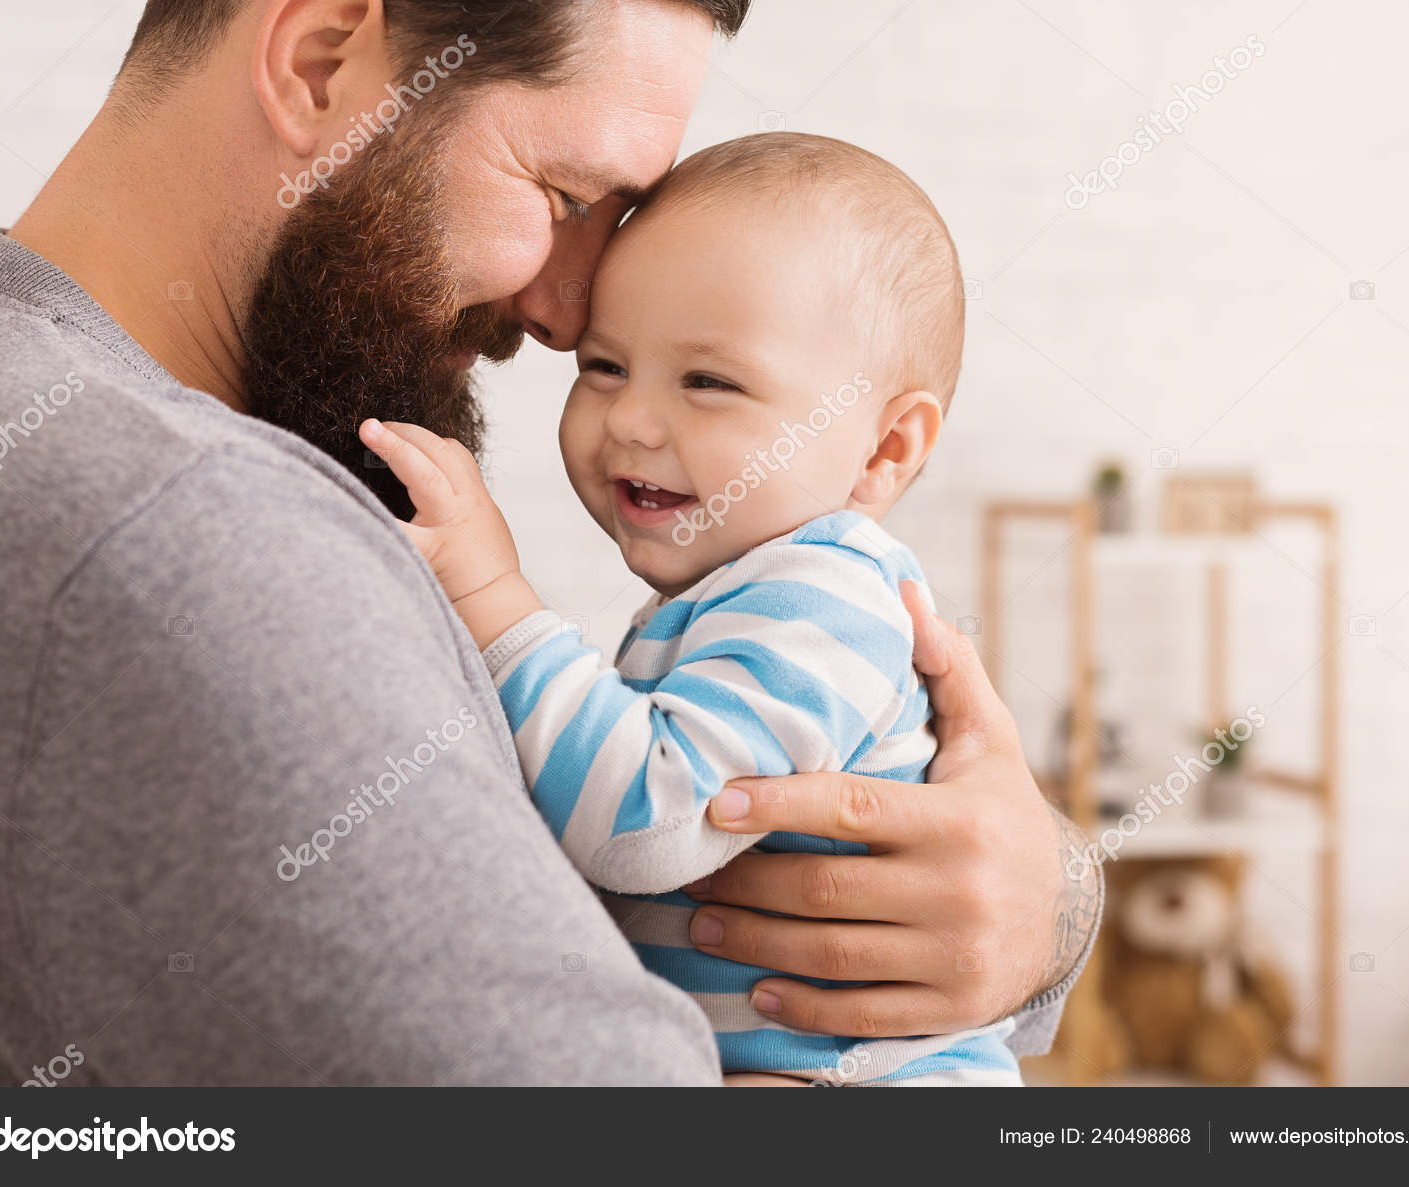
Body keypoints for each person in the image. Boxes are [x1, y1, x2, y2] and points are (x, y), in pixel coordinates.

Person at [0, 0, 1099, 1086]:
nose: (570, 310)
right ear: (319, 66)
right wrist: (1045, 913)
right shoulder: (188, 531)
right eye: (566, 199)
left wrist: (1030, 907)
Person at [364, 133, 1023, 1086]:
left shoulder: (823, 593)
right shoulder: (734, 595)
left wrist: (492, 598)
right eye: (603, 367)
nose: (631, 419)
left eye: (708, 382)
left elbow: (648, 818)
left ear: (884, 448)